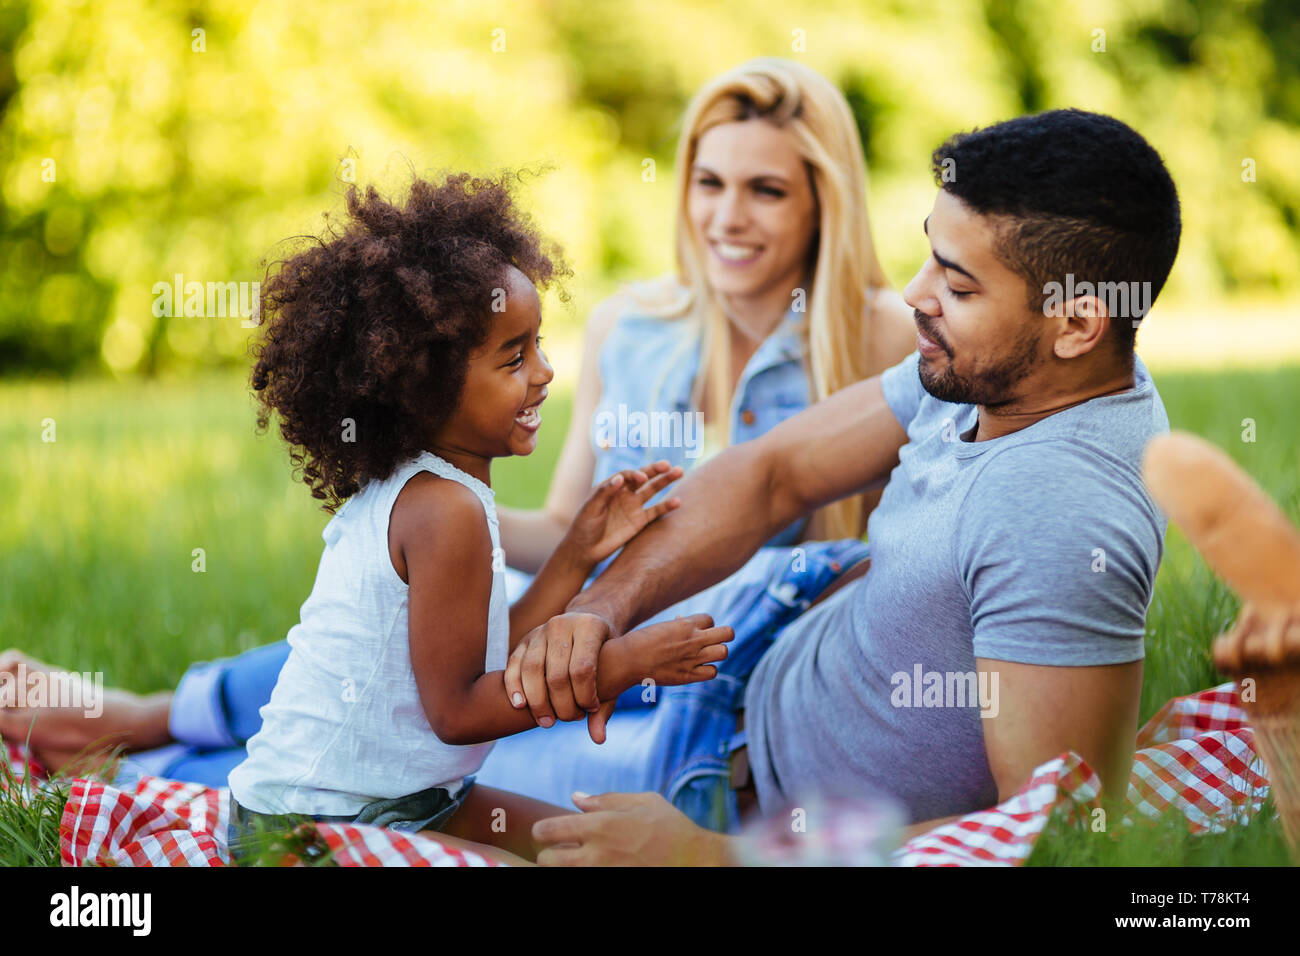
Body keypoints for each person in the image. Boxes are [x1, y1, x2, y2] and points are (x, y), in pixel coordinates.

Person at [0, 58, 915, 798]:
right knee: (400, 628)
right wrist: (410, 500)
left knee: (441, 737)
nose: (726, 216)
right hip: (575, 626)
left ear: (822, 201)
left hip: (719, 649)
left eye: (765, 190)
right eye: (708, 182)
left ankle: (151, 750)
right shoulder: (635, 326)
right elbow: (560, 531)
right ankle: (147, 726)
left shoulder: (887, 336)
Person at [501, 108, 1183, 864]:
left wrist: (713, 858)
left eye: (957, 285)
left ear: (1080, 324)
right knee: (439, 632)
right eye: (931, 256)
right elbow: (772, 475)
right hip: (755, 637)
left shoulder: (1062, 517)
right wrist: (598, 606)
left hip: (732, 792)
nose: (917, 295)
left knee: (404, 788)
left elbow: (1050, 832)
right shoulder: (1006, 369)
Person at [219, 170, 735, 863]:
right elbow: (459, 713)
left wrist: (576, 553)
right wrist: (624, 663)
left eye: (540, 345)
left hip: (413, 800)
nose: (545, 372)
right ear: (427, 386)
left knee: (583, 851)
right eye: (514, 357)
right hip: (305, 826)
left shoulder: (447, 490)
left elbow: (491, 657)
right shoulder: (441, 509)